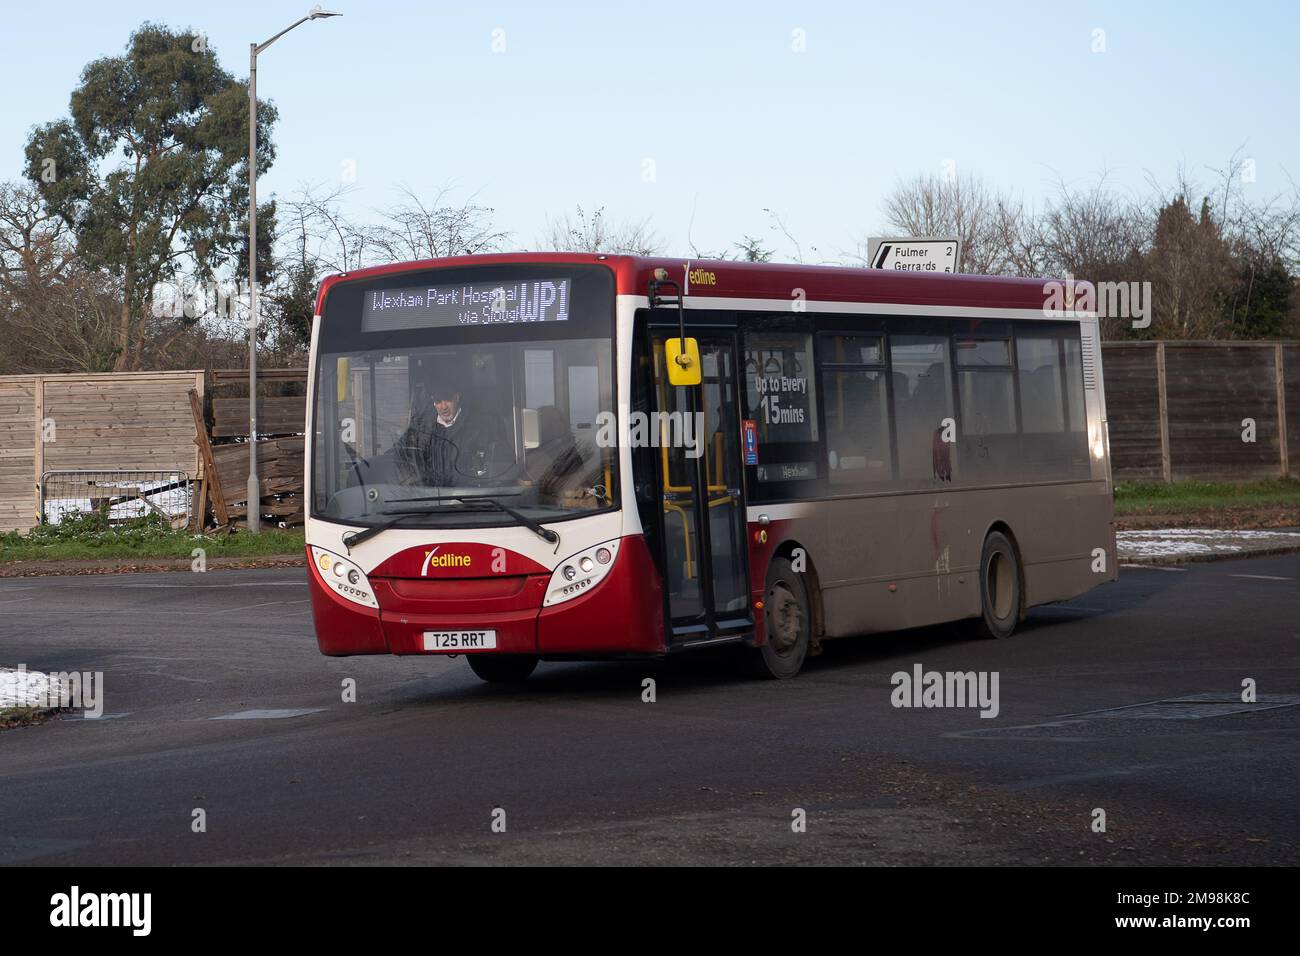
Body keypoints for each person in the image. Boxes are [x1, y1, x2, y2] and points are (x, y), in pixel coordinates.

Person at [392, 382, 497, 486]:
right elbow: (397, 454)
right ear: (433, 402)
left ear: (457, 397)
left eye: (447, 399)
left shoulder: (478, 428)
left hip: (467, 497)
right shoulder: (420, 428)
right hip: (428, 498)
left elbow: (497, 463)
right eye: (438, 401)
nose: (443, 406)